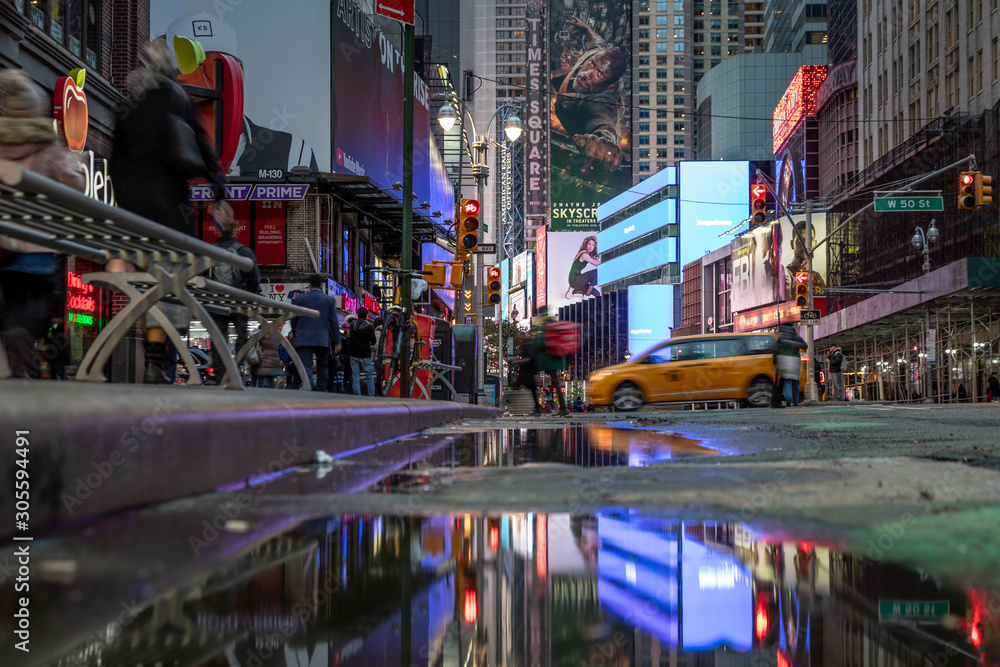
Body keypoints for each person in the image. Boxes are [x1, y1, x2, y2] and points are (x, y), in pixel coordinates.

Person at [110, 39, 234, 383]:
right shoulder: (178, 98)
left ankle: (154, 362)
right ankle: (156, 364)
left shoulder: (128, 106)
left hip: (133, 210)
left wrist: (123, 207)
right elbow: (203, 146)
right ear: (169, 70)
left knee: (151, 283)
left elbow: (114, 162)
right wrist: (217, 189)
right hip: (168, 207)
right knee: (171, 285)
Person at [0, 69, 86, 376]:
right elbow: (74, 186)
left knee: (12, 301)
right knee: (38, 306)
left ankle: (15, 358)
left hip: (3, 244)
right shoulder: (45, 143)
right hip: (35, 245)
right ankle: (20, 344)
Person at [551, 15, 628, 173]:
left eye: (600, 74)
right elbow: (596, 40)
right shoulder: (599, 52)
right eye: (591, 64)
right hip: (563, 92)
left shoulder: (608, 103)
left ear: (610, 84)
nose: (587, 74)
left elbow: (606, 124)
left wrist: (604, 141)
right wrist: (586, 29)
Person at [209, 218, 260, 378]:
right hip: (239, 303)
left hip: (216, 303)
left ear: (217, 230)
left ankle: (219, 375)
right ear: (236, 231)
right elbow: (254, 280)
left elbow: (200, 277)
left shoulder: (208, 250)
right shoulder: (245, 252)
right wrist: (245, 294)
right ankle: (236, 372)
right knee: (241, 337)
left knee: (218, 338)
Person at [290, 274, 340, 391]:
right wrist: (337, 341)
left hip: (304, 338)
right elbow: (334, 322)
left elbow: (294, 319)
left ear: (309, 284)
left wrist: (295, 335)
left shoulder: (300, 299)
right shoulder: (329, 300)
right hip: (322, 338)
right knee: (323, 366)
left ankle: (309, 387)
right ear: (321, 284)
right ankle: (321, 389)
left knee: (306, 365)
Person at [535, 321, 570, 417]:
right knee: (556, 385)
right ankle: (562, 408)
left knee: (557, 386)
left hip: (549, 363)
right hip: (556, 363)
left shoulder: (547, 333)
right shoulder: (556, 333)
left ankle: (563, 408)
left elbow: (539, 345)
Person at [773, 324, 807, 407]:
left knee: (787, 381)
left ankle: (788, 399)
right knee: (795, 381)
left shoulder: (781, 338)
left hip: (785, 360)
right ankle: (795, 401)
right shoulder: (797, 337)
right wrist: (797, 344)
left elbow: (776, 350)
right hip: (795, 360)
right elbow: (805, 346)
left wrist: (776, 362)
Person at [348, 306, 377, 397]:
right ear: (366, 316)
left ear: (357, 314)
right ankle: (371, 396)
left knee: (355, 378)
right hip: (365, 355)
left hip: (354, 354)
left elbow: (349, 338)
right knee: (369, 377)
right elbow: (374, 341)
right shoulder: (369, 328)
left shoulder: (352, 325)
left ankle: (358, 397)